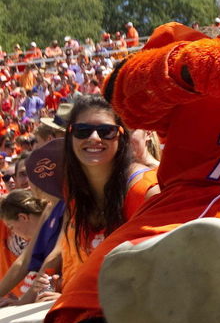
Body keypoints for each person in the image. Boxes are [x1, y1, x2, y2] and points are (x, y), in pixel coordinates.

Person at [47, 95, 159, 299]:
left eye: (106, 131)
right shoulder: (75, 195)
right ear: (70, 136)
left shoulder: (145, 191)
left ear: (121, 136)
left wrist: (78, 297)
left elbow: (162, 271)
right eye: (83, 131)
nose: (94, 138)